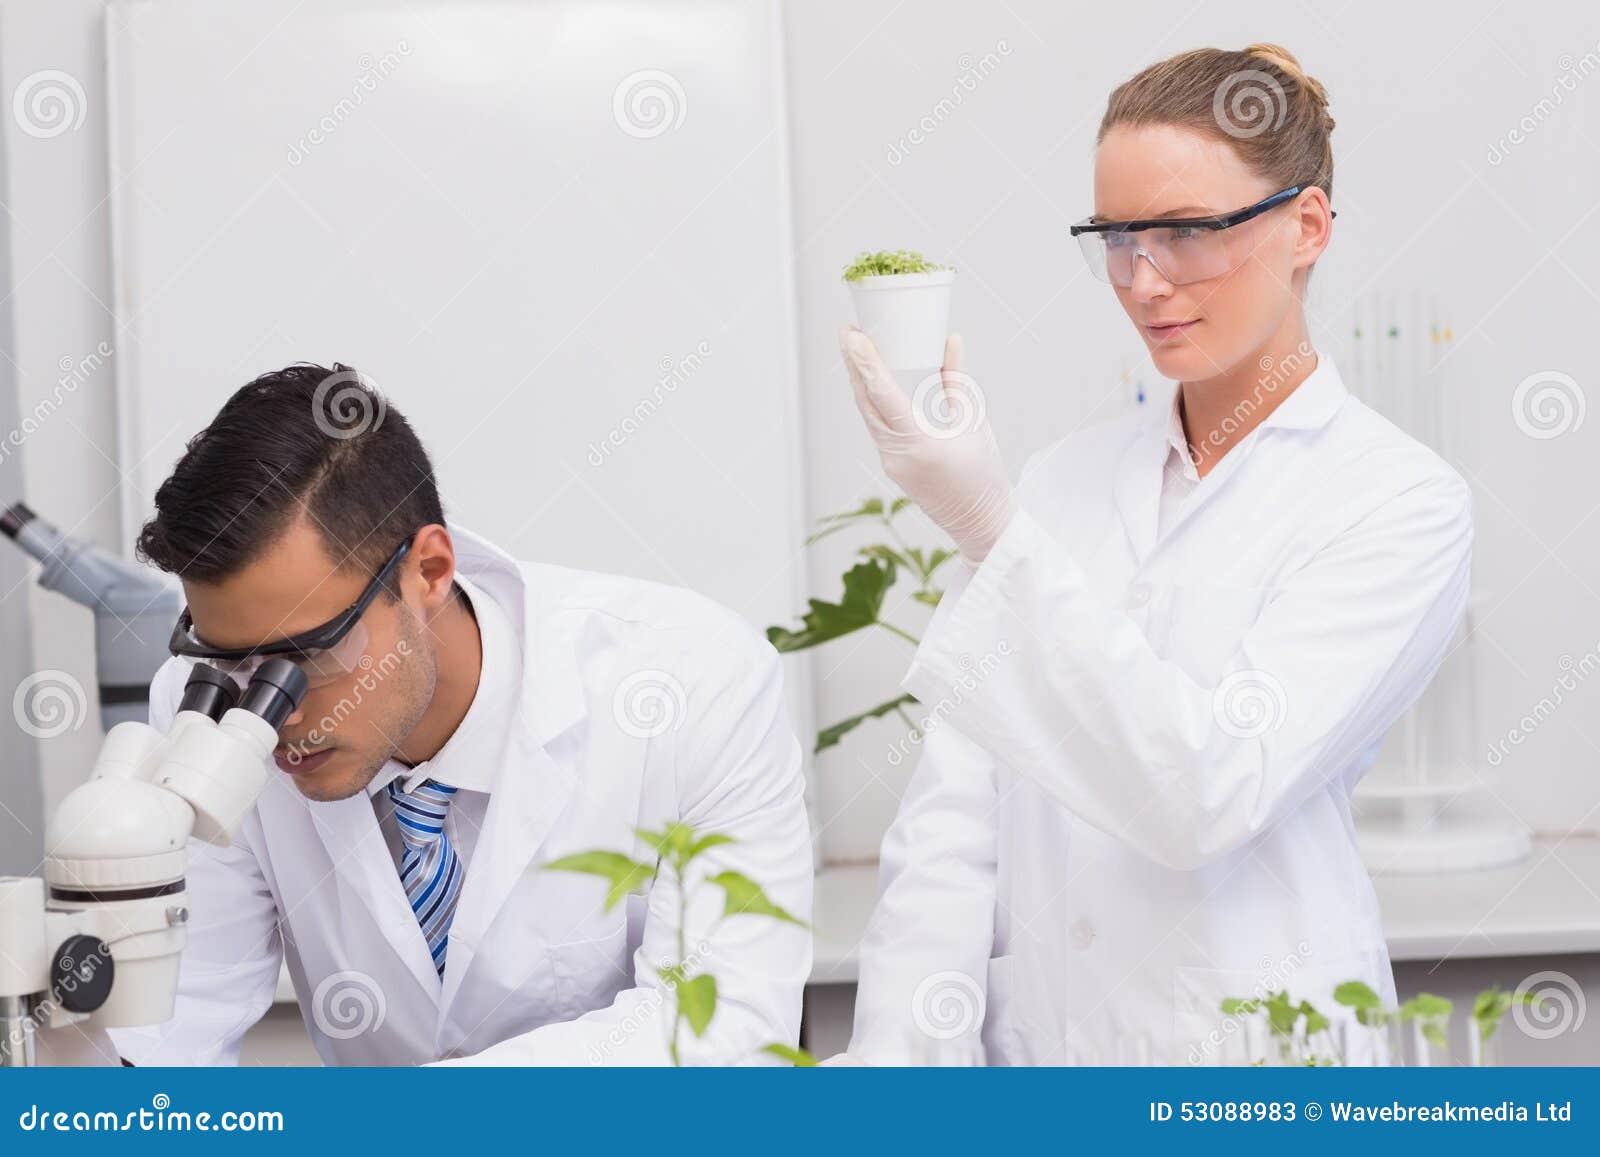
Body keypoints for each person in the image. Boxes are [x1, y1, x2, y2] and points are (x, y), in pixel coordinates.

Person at [840, 44, 1472, 1065]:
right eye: (1116, 237)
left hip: (1259, 1060)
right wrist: (900, 1075)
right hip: (1048, 1053)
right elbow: (954, 825)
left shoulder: (1395, 502)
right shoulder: (1056, 481)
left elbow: (1206, 793)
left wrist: (993, 535)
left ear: (1306, 226)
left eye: (1184, 232)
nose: (1142, 281)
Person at [102, 363, 812, 1065]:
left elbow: (721, 1035)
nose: (271, 716)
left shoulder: (690, 678)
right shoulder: (209, 709)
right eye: (231, 661)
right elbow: (173, 1028)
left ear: (429, 571)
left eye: (305, 658)